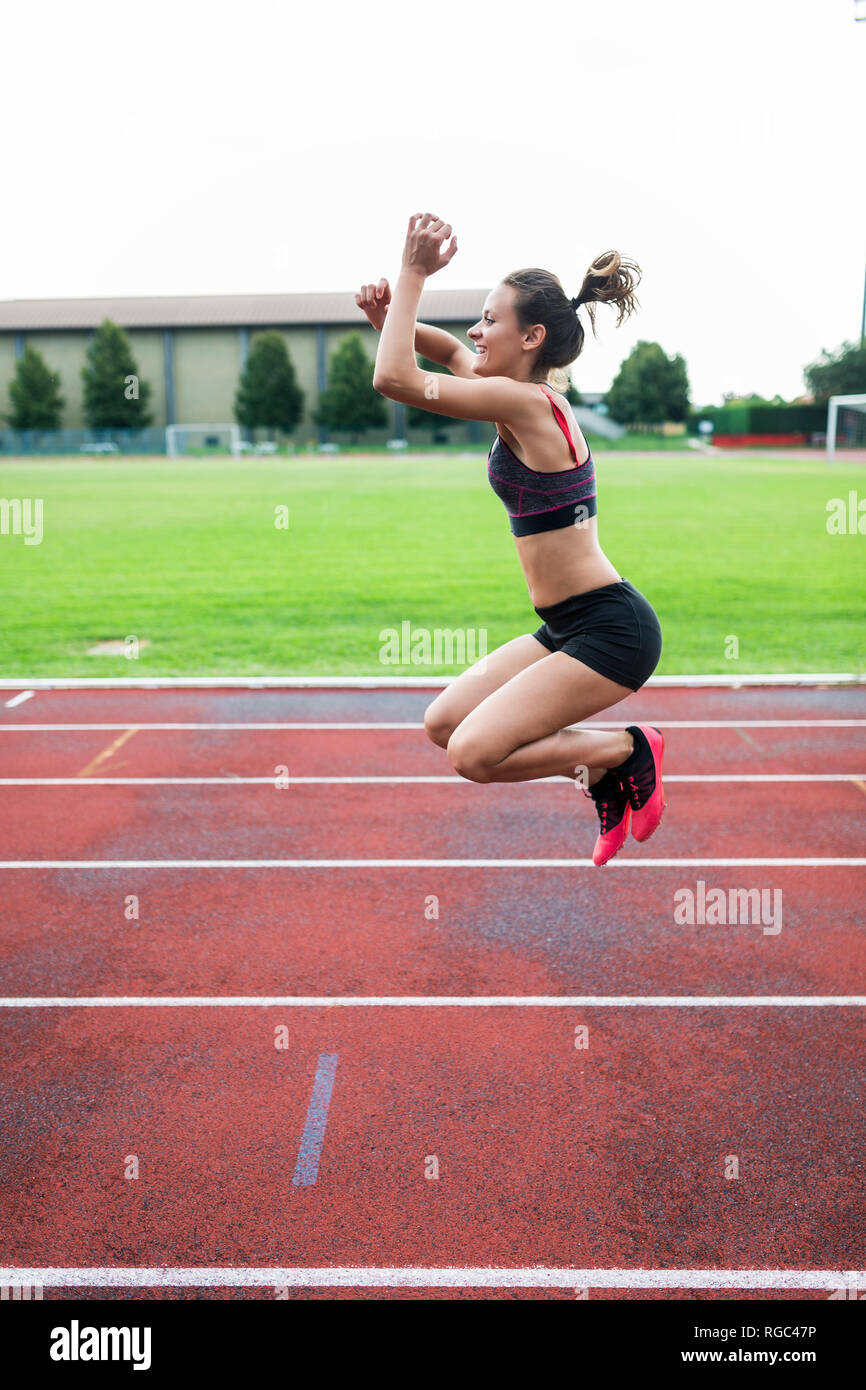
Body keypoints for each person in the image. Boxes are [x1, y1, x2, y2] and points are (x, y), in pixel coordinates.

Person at [356, 213, 664, 865]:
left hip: (611, 630)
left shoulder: (526, 405)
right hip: (566, 625)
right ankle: (600, 775)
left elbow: (395, 380)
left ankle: (623, 751)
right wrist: (391, 323)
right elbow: (437, 354)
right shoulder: (516, 393)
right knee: (443, 724)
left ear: (532, 336)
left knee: (474, 753)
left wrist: (413, 273)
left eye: (490, 320)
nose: (476, 330)